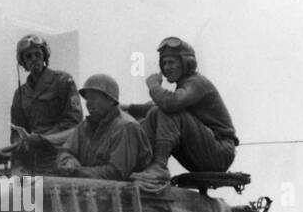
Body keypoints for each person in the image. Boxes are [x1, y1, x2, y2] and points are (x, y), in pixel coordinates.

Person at [126, 37, 238, 189]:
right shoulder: (185, 86)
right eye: (164, 63)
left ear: (186, 63)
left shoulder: (196, 82)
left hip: (220, 151)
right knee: (154, 113)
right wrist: (128, 109)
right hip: (205, 150)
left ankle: (159, 167)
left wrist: (153, 86)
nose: (167, 68)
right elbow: (157, 107)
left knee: (167, 110)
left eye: (171, 62)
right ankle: (137, 166)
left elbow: (170, 104)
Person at [0, 34, 82, 172]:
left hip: (60, 154)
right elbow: (16, 130)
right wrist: (15, 146)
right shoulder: (20, 94)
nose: (34, 59)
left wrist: (42, 138)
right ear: (23, 63)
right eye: (28, 56)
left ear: (45, 56)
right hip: (32, 159)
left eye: (38, 54)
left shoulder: (62, 81)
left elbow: (73, 120)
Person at [54, 73, 152, 181]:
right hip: (93, 191)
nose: (88, 103)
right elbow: (65, 151)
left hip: (125, 194)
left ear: (110, 100)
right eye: (87, 98)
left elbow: (115, 172)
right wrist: (68, 161)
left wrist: (78, 171)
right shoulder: (84, 126)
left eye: (93, 98)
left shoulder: (126, 127)